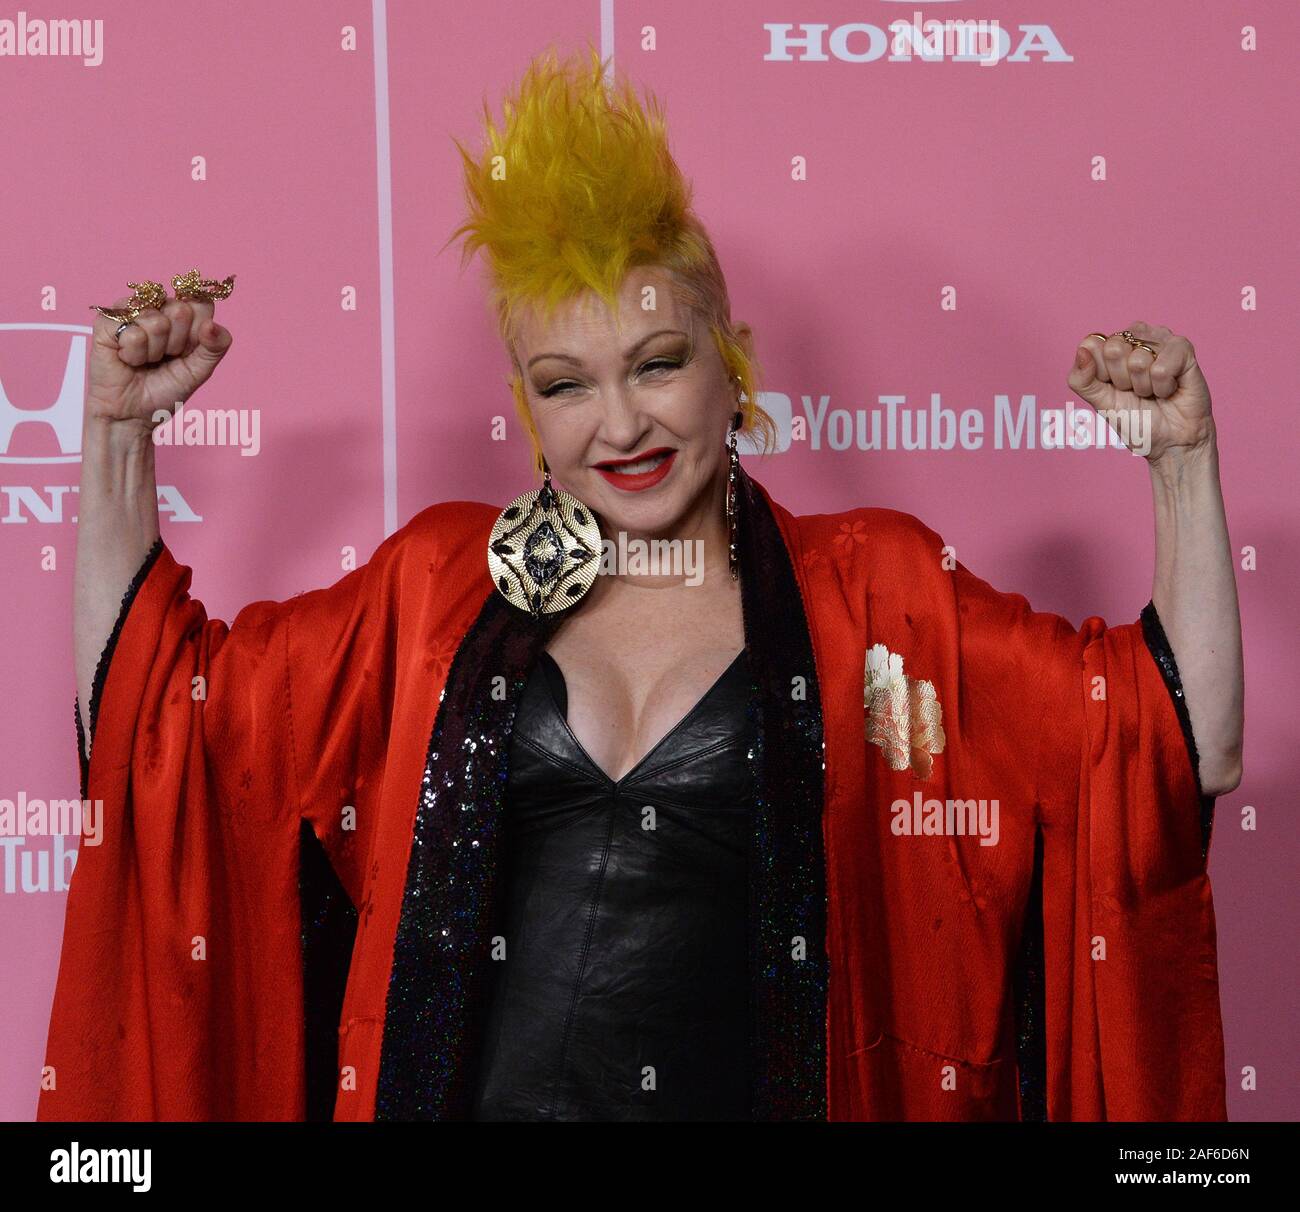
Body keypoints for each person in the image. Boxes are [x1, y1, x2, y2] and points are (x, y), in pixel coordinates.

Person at [39, 44, 1241, 1122]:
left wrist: (1182, 464)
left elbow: (1168, 744)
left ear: (729, 364)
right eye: (565, 384)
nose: (620, 424)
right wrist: (115, 436)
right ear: (527, 410)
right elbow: (151, 725)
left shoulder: (877, 595)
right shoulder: (431, 593)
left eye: (657, 364)